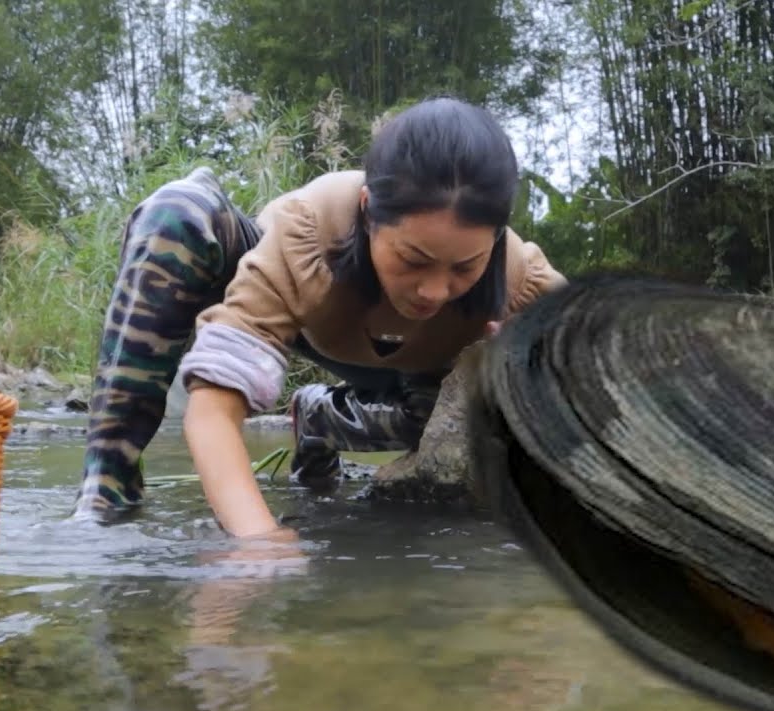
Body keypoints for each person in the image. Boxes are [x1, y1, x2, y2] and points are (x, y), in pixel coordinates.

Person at [73, 96, 567, 538]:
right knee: (178, 210)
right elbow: (213, 411)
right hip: (311, 319)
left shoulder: (520, 272)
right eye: (413, 259)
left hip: (414, 370)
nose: (434, 291)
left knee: (460, 431)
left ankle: (318, 417)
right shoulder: (306, 230)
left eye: (465, 267)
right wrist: (258, 540)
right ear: (369, 211)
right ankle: (108, 485)